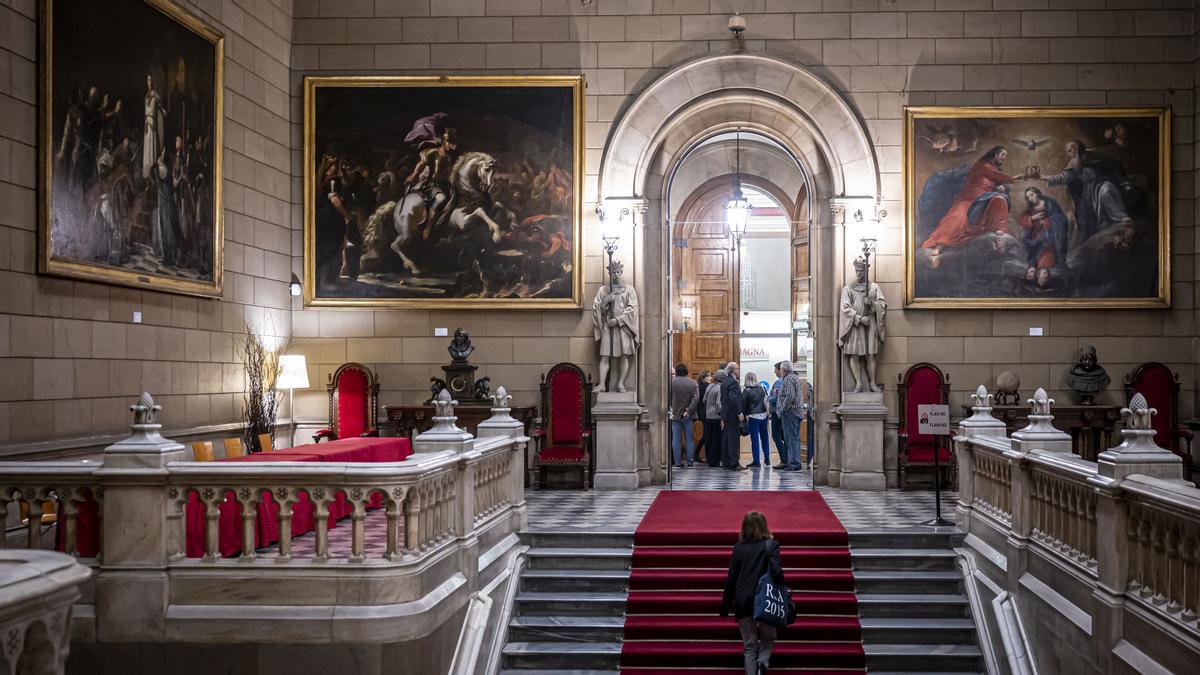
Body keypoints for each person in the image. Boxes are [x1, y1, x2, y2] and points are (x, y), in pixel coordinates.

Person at [921, 146, 1032, 265]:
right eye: (1002, 155)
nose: (1004, 158)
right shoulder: (983, 165)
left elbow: (998, 182)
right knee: (958, 217)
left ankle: (999, 229)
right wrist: (1019, 177)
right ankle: (940, 245)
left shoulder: (995, 170)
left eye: (1005, 156)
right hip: (970, 197)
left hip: (986, 197)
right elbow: (998, 177)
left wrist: (1001, 187)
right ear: (995, 154)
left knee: (1000, 199)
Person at [721, 511, 784, 675]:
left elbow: (731, 578)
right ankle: (763, 663)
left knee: (749, 645)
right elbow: (777, 574)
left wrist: (725, 605)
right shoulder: (771, 545)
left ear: (744, 528)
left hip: (744, 600)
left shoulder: (738, 548)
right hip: (766, 598)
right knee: (768, 638)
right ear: (764, 526)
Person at [669, 363, 699, 468]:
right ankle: (690, 461)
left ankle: (677, 462)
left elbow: (667, 398)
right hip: (688, 416)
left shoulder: (670, 383)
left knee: (676, 440)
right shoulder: (693, 383)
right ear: (686, 371)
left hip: (675, 415)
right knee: (689, 439)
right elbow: (696, 399)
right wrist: (688, 411)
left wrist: (671, 408)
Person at [776, 360, 804, 472]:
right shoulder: (795, 378)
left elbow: (790, 396)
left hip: (790, 413)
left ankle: (794, 464)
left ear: (784, 370)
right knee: (794, 438)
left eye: (781, 369)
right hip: (796, 412)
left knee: (791, 439)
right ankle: (795, 462)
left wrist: (782, 409)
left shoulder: (788, 379)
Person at [721, 363, 746, 471]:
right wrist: (739, 413)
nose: (739, 370)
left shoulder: (725, 381)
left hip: (726, 414)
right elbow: (733, 399)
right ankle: (734, 463)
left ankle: (726, 461)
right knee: (733, 440)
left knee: (726, 439)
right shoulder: (733, 382)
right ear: (732, 370)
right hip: (732, 415)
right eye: (738, 368)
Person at [743, 372, 770, 468]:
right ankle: (767, 459)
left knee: (755, 440)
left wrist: (744, 415)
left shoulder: (746, 390)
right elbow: (767, 400)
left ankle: (756, 461)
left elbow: (744, 405)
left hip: (753, 416)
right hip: (764, 415)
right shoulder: (762, 388)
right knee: (765, 438)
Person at [704, 370, 726, 468]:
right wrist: (721, 414)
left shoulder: (710, 386)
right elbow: (718, 403)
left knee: (709, 439)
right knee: (716, 440)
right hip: (716, 416)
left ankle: (709, 459)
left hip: (708, 415)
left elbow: (704, 400)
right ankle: (715, 461)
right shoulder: (720, 388)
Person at [767, 363, 786, 469]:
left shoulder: (779, 382)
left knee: (776, 435)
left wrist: (768, 398)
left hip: (776, 412)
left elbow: (777, 398)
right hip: (779, 412)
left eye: (775, 369)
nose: (774, 371)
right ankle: (786, 458)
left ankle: (784, 459)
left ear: (780, 369)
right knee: (783, 436)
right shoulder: (783, 381)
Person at [695, 370, 711, 462]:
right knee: (707, 435)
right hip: (706, 413)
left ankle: (698, 454)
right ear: (703, 378)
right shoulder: (706, 387)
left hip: (702, 413)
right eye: (708, 376)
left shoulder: (700, 386)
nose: (710, 377)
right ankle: (701, 454)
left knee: (706, 435)